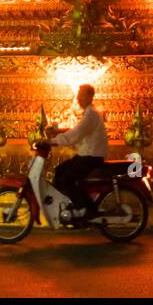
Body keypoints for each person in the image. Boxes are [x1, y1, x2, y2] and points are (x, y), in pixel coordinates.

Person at [46, 84, 108, 221]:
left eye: (81, 95)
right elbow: (77, 131)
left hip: (91, 157)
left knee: (66, 179)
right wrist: (57, 133)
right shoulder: (89, 114)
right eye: (78, 96)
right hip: (85, 155)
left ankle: (85, 208)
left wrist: (52, 141)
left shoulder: (91, 115)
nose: (78, 99)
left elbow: (76, 134)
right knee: (59, 170)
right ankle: (68, 205)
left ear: (89, 97)